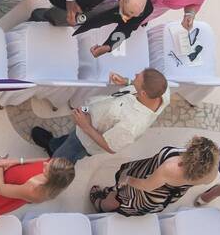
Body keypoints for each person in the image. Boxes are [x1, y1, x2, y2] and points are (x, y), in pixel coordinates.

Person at [30, 69, 170, 164]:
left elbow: (110, 147)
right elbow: (142, 86)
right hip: (89, 119)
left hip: (86, 141)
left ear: (143, 93)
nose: (135, 74)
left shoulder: (132, 125)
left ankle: (47, 175)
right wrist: (127, 82)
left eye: (137, 78)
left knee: (62, 160)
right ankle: (52, 145)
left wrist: (85, 126)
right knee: (70, 138)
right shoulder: (162, 90)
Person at [90, 137, 219, 215]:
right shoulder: (209, 171)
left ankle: (100, 205)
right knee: (120, 193)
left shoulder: (171, 168)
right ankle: (108, 194)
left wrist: (127, 179)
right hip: (165, 194)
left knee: (120, 196)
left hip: (146, 189)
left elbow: (146, 186)